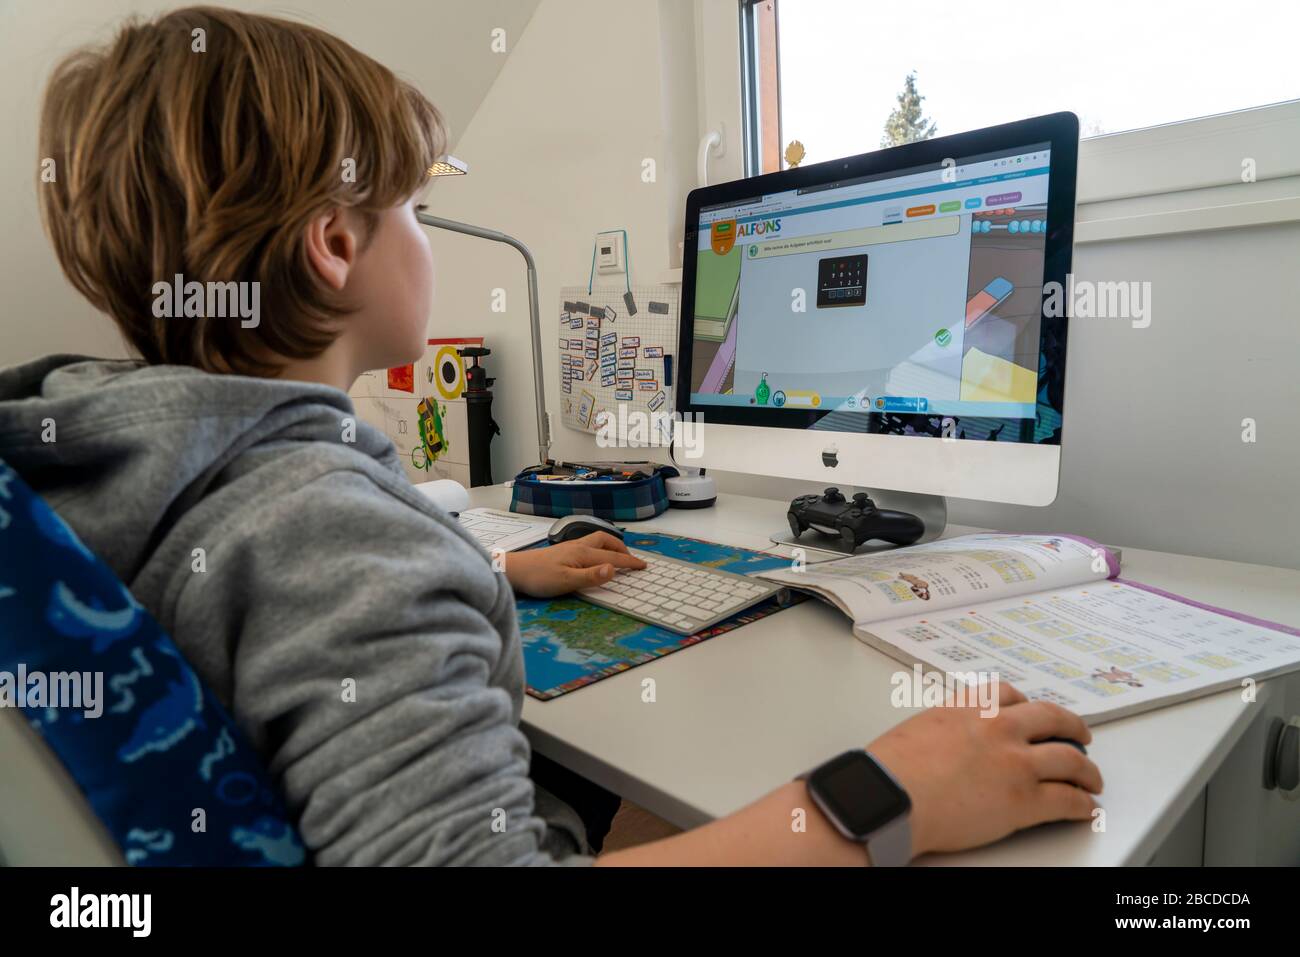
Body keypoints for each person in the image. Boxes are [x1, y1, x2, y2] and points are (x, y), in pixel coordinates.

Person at [0, 6, 1102, 866]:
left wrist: (491, 576)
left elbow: (262, 594)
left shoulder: (100, 455)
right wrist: (882, 800)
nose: (425, 234)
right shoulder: (336, 541)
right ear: (335, 244)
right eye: (416, 210)